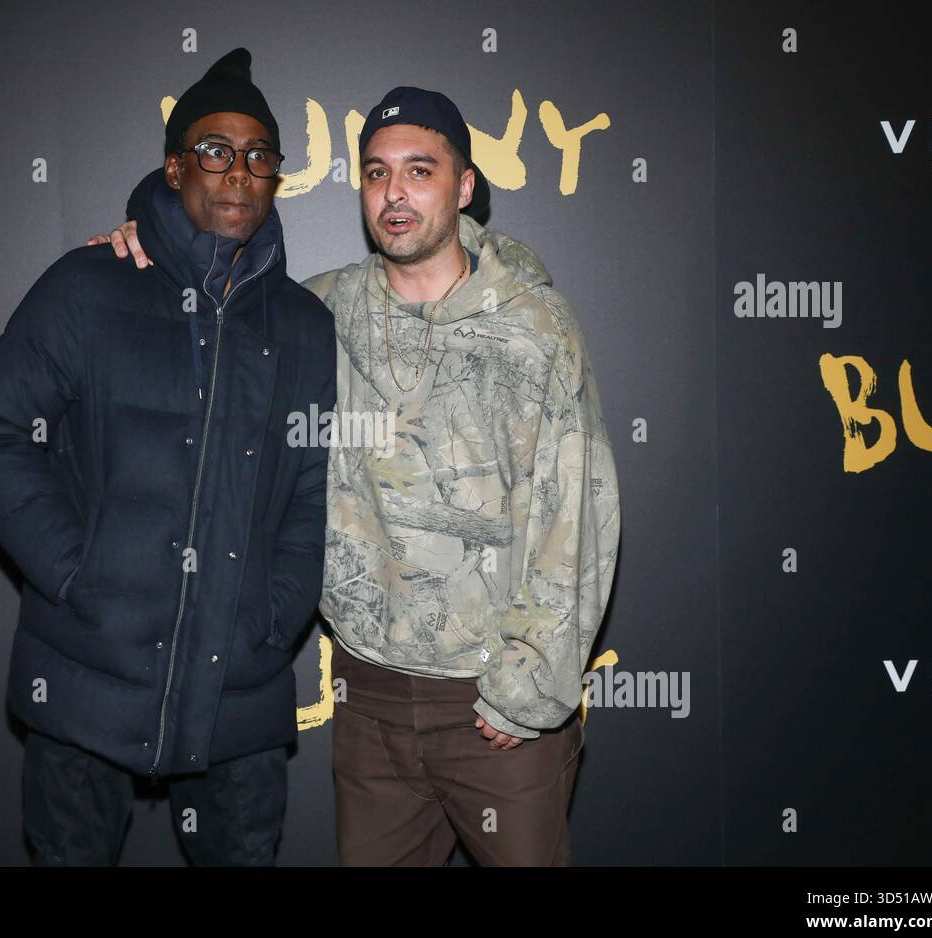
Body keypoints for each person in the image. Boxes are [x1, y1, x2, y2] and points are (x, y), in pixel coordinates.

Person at [93, 85, 620, 866]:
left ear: (464, 186)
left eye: (419, 170)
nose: (395, 193)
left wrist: (528, 690)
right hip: (369, 702)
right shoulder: (320, 315)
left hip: (494, 709)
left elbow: (577, 512)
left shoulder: (534, 329)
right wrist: (150, 234)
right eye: (376, 173)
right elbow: (209, 312)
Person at [0, 48, 336, 866]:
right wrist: (73, 572)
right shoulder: (88, 286)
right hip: (86, 678)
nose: (237, 172)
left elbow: (315, 486)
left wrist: (277, 615)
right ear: (173, 168)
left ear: (275, 176)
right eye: (213, 150)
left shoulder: (306, 325)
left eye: (259, 156)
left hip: (240, 689)